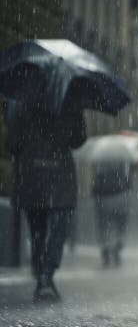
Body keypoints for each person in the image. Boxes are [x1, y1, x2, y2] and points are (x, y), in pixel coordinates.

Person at [5, 100, 87, 301]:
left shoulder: (20, 103)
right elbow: (78, 140)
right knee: (58, 228)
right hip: (60, 175)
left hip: (31, 174)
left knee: (37, 230)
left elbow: (12, 144)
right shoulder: (70, 100)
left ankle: (40, 268)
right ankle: (46, 274)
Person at [91, 159, 132, 268]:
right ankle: (117, 250)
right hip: (120, 204)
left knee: (104, 229)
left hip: (104, 204)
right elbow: (129, 187)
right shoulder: (122, 174)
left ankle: (106, 252)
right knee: (120, 228)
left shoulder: (100, 174)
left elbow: (94, 190)